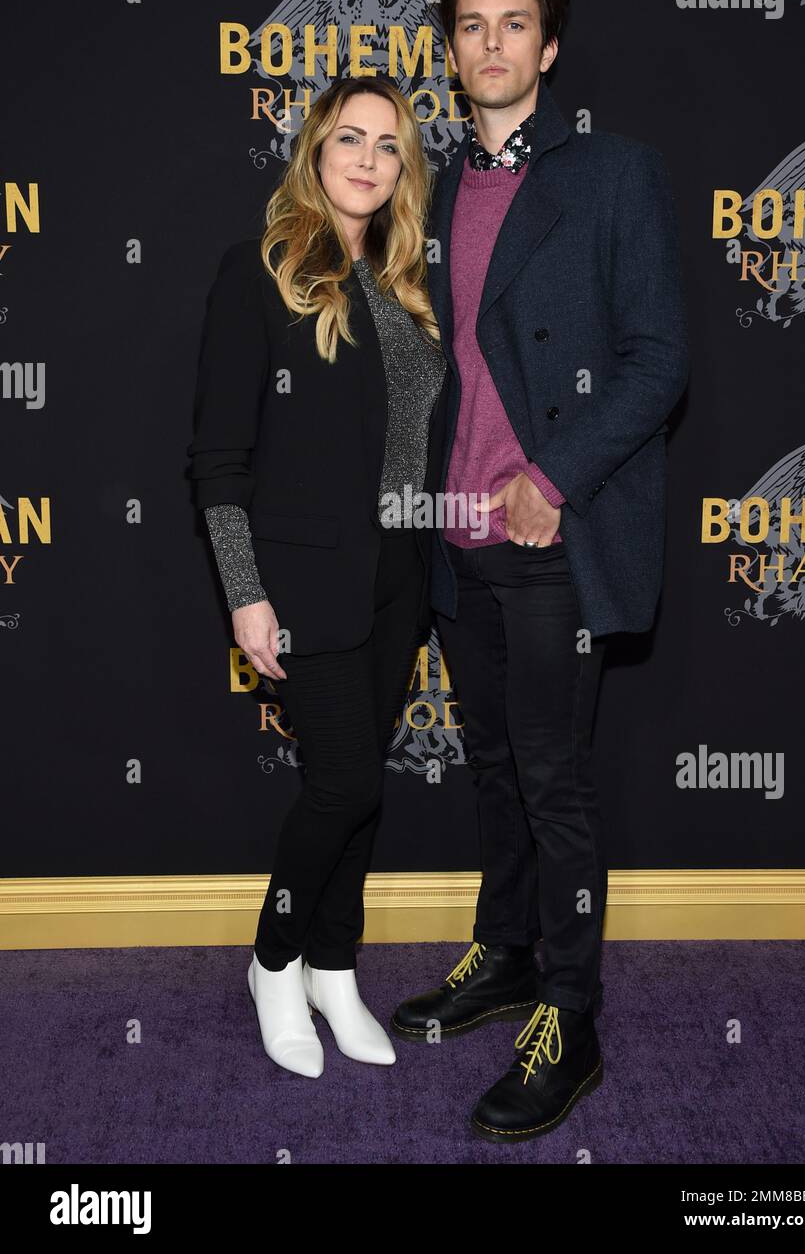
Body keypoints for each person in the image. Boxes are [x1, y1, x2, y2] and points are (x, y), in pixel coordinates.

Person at [390, 0, 690, 1142]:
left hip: (550, 537)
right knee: (497, 769)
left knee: (556, 782)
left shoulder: (612, 174)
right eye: (470, 24)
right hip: (455, 530)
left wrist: (552, 477)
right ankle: (504, 952)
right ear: (451, 51)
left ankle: (569, 1015)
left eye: (513, 21)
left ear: (548, 45)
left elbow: (657, 357)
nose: (492, 41)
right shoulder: (435, 180)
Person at [187, 74, 447, 1078]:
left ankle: (335, 968)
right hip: (301, 581)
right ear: (313, 148)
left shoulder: (404, 281)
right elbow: (218, 457)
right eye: (350, 137)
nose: (368, 158)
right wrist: (244, 590)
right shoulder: (257, 271)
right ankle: (273, 955)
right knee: (339, 785)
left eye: (388, 144)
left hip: (399, 573)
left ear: (403, 167)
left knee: (363, 788)